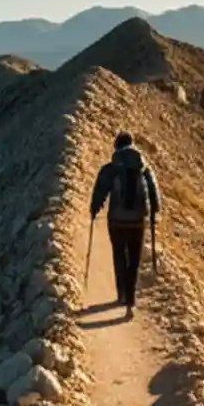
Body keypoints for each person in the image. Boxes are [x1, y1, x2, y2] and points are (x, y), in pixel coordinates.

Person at [89, 131, 160, 317]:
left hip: (116, 221)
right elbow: (154, 194)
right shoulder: (144, 168)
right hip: (137, 221)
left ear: (116, 147)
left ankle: (120, 294)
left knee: (119, 255)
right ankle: (130, 300)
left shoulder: (111, 168)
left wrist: (94, 210)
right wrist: (153, 214)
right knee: (134, 261)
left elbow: (100, 191)